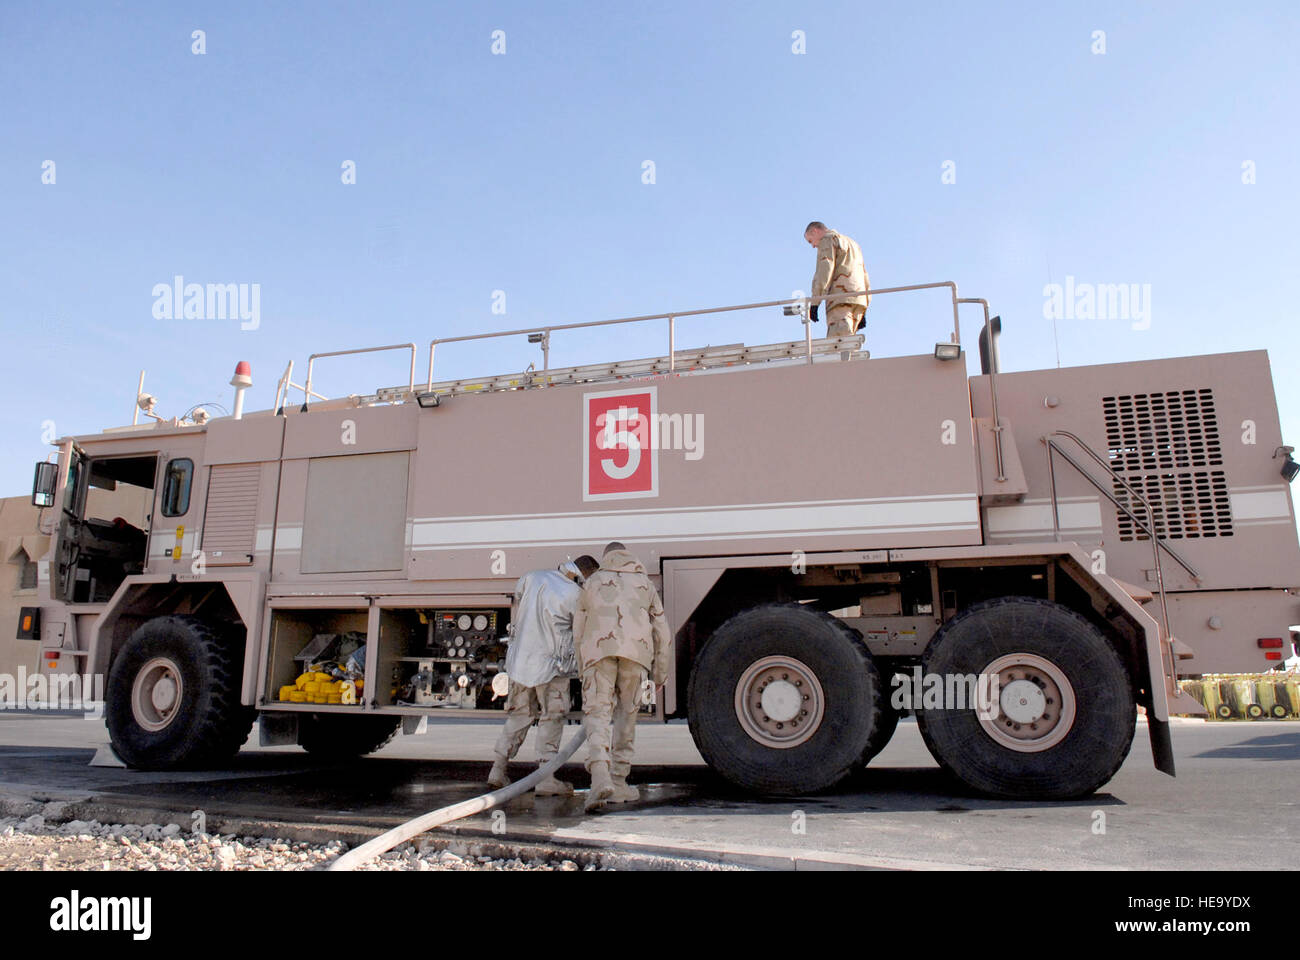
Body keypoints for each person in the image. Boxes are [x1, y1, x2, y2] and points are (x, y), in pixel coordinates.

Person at [487, 555, 600, 795]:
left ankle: (497, 769)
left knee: (519, 715)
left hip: (518, 662)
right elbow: (580, 634)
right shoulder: (576, 595)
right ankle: (546, 778)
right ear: (585, 576)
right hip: (551, 669)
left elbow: (517, 605)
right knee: (552, 717)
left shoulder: (532, 577)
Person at [573, 541, 673, 812]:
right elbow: (663, 634)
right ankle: (618, 782)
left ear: (605, 558)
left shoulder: (592, 582)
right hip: (636, 656)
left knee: (598, 714)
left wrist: (583, 666)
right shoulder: (645, 584)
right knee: (626, 717)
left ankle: (599, 777)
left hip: (598, 653)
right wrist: (660, 674)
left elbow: (578, 628)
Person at [804, 221, 870, 338]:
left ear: (815, 231)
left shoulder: (828, 239)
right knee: (849, 343)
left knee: (837, 345)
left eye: (810, 241)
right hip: (858, 300)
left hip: (840, 298)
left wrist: (815, 301)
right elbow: (864, 275)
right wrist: (865, 305)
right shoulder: (853, 244)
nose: (813, 245)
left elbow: (825, 269)